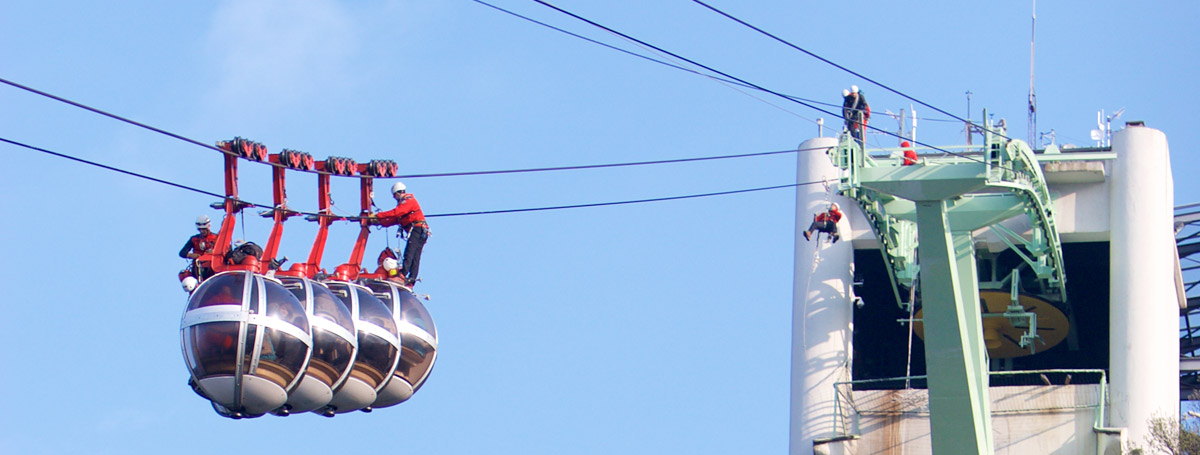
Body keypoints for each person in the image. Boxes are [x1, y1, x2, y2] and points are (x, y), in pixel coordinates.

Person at [369, 182, 429, 287]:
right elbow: (394, 220)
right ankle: (411, 280)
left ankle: (402, 275)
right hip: (421, 231)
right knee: (415, 256)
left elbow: (396, 212)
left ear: (397, 194)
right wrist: (378, 222)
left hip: (417, 230)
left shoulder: (408, 200)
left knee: (410, 254)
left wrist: (378, 215)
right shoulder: (405, 205)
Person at [180, 215, 218, 281]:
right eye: (200, 229)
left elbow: (227, 250)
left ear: (208, 227)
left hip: (212, 268)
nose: (202, 231)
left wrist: (214, 251)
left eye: (204, 229)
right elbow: (182, 253)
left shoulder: (216, 238)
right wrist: (191, 255)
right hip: (198, 269)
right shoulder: (194, 239)